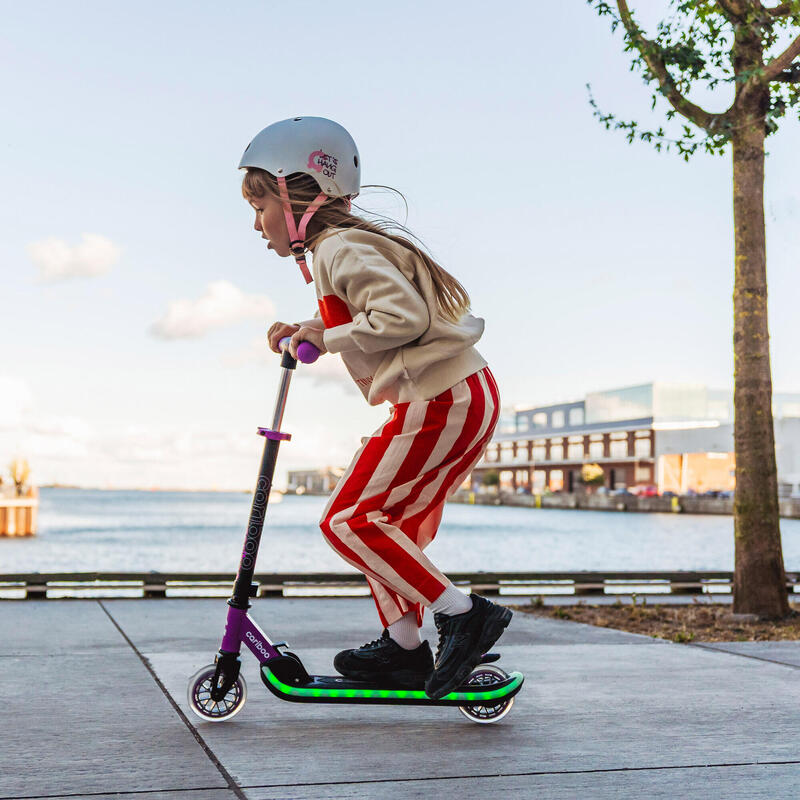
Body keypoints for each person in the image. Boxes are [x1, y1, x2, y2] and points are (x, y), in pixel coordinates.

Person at [239, 116, 512, 699]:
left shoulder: (338, 247)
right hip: (454, 395)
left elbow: (401, 319)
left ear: (292, 192)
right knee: (390, 526)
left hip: (444, 398)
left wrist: (325, 339)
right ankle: (405, 647)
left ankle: (463, 614)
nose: (257, 225)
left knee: (348, 520)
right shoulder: (337, 252)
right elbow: (373, 314)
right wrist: (310, 327)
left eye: (260, 205)